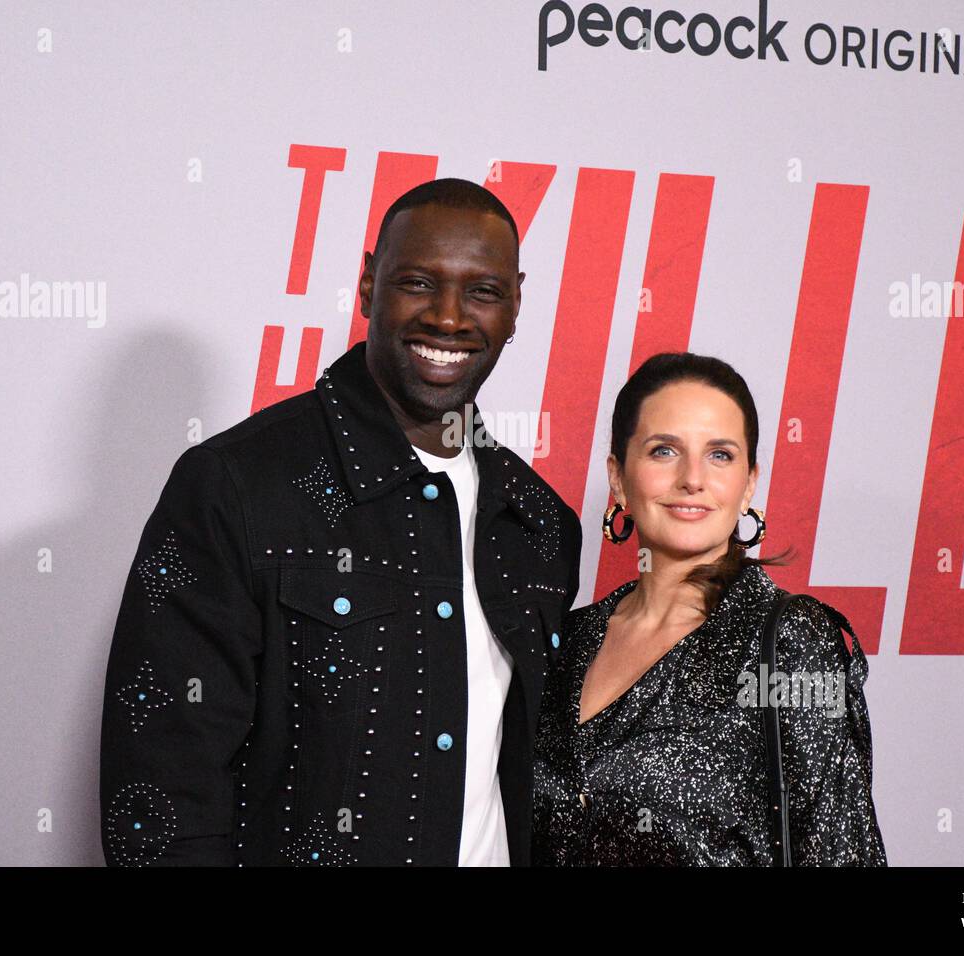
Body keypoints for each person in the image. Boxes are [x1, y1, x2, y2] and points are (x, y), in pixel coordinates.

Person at [100, 178, 582, 866]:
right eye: (419, 283)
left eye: (482, 291)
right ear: (367, 285)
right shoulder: (236, 486)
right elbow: (158, 792)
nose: (449, 318)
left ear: (514, 307)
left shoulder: (537, 523)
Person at [532, 352, 886, 865]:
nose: (692, 478)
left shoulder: (788, 641)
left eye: (720, 455)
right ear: (618, 476)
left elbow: (841, 850)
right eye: (663, 451)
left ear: (748, 484)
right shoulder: (571, 638)